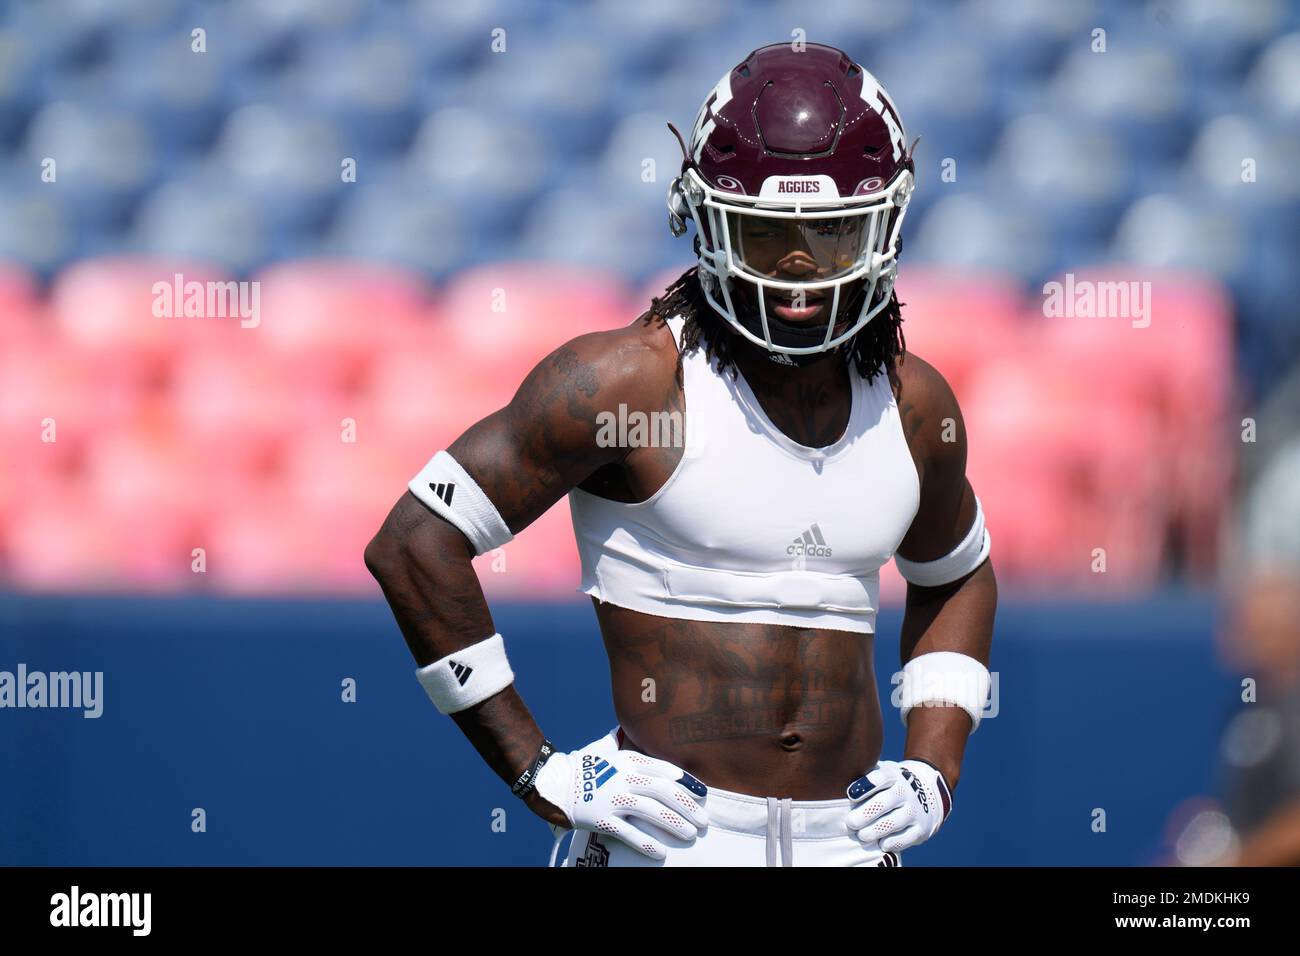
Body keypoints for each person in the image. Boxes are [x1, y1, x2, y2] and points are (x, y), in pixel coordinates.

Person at [365, 42, 997, 867]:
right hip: (664, 843)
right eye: (770, 237)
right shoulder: (625, 384)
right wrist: (536, 770)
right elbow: (416, 543)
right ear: (705, 222)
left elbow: (955, 573)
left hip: (848, 846)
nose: (799, 272)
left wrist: (934, 766)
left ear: (884, 225)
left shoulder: (914, 406)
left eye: (832, 233)